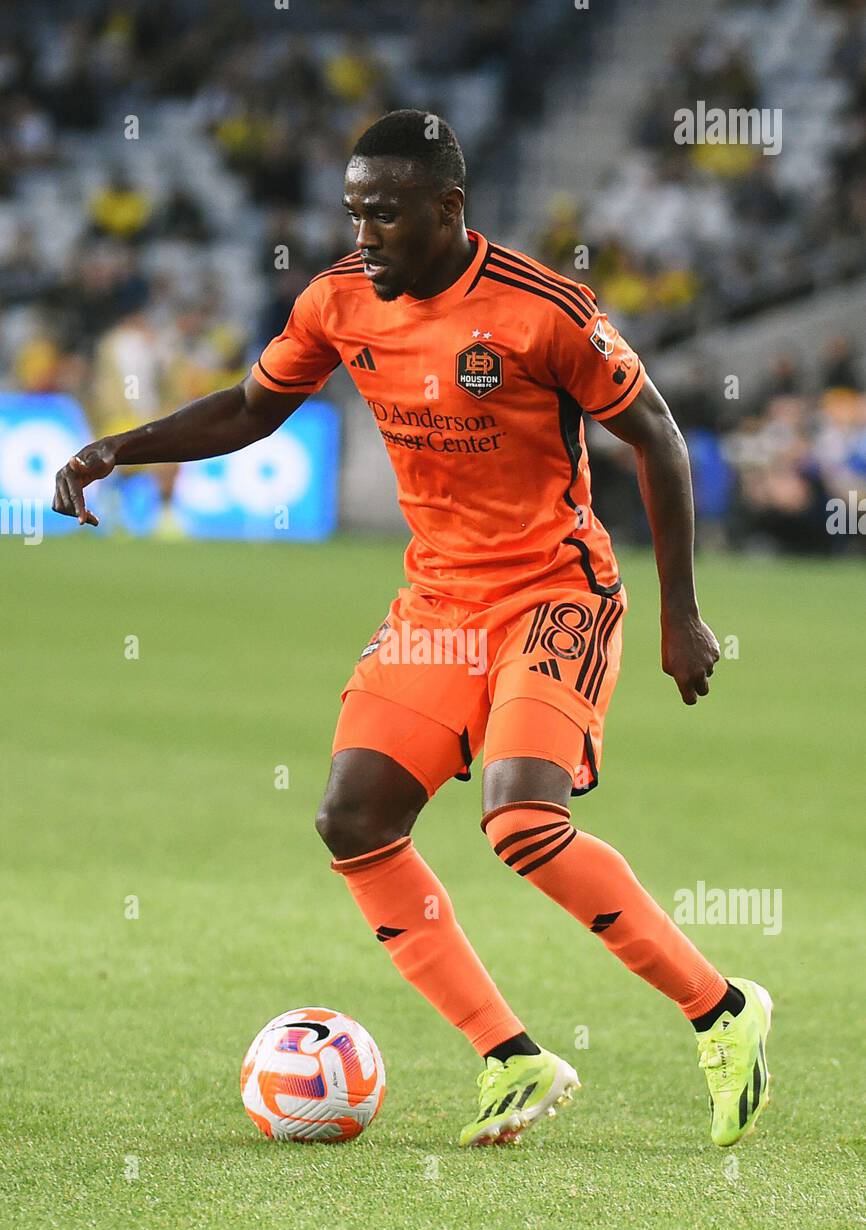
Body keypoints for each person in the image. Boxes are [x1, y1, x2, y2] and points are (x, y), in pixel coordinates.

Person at [53, 110, 772, 1149]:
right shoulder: (339, 302)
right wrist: (117, 448)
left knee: (520, 822)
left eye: (383, 213)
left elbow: (653, 433)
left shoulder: (542, 310)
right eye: (352, 212)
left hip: (552, 592)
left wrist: (680, 615)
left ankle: (722, 1012)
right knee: (353, 819)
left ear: (447, 209)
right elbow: (254, 410)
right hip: (438, 604)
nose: (362, 234)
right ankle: (512, 1059)